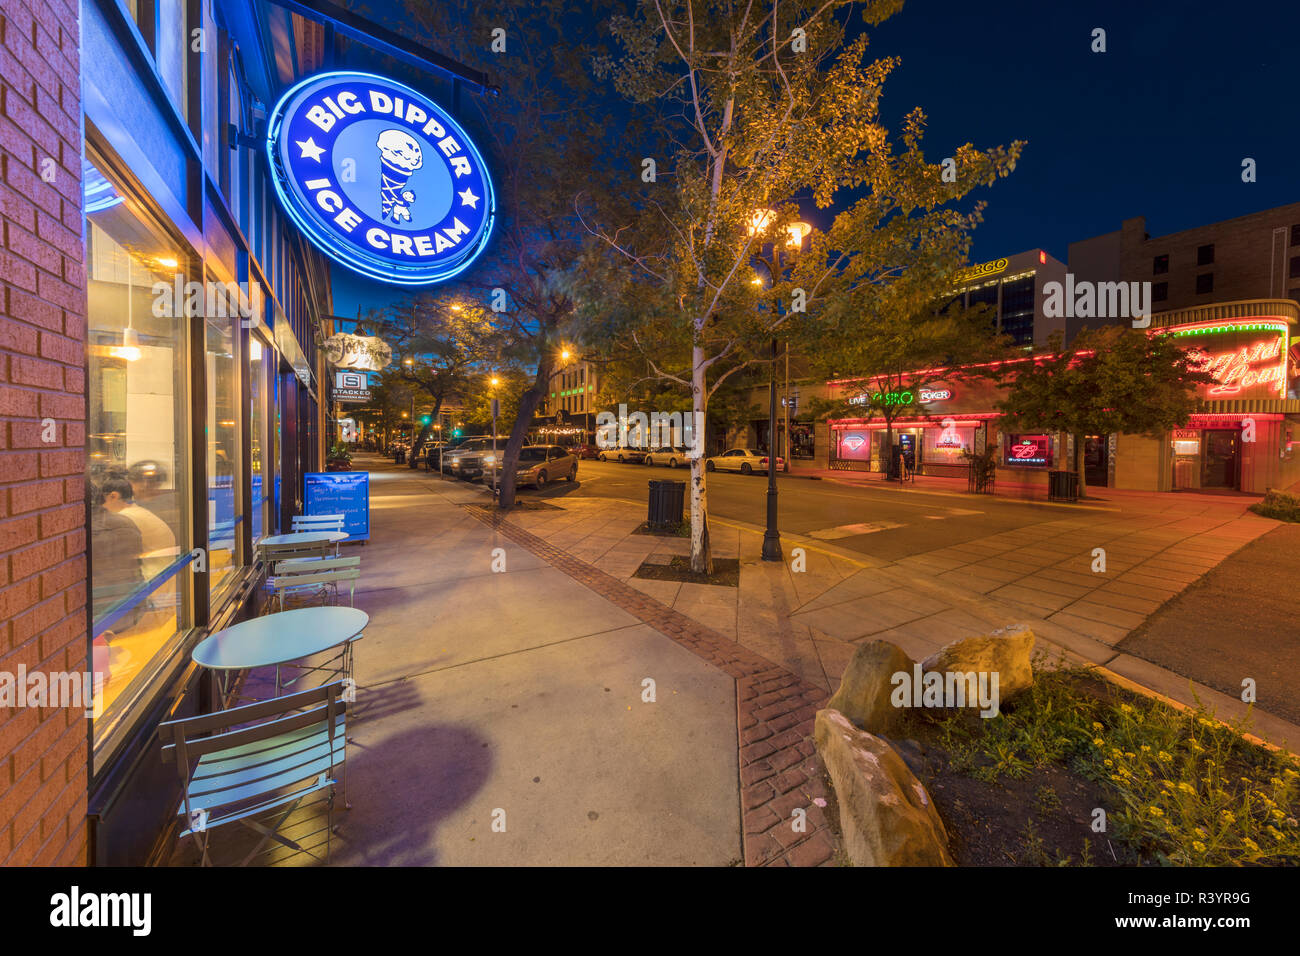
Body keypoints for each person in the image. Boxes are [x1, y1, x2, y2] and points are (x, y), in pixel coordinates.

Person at [101, 477, 176, 580]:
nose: (101, 506)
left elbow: (118, 557)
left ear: (113, 496)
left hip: (153, 578)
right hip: (166, 571)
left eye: (101, 501)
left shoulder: (125, 518)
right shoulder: (136, 511)